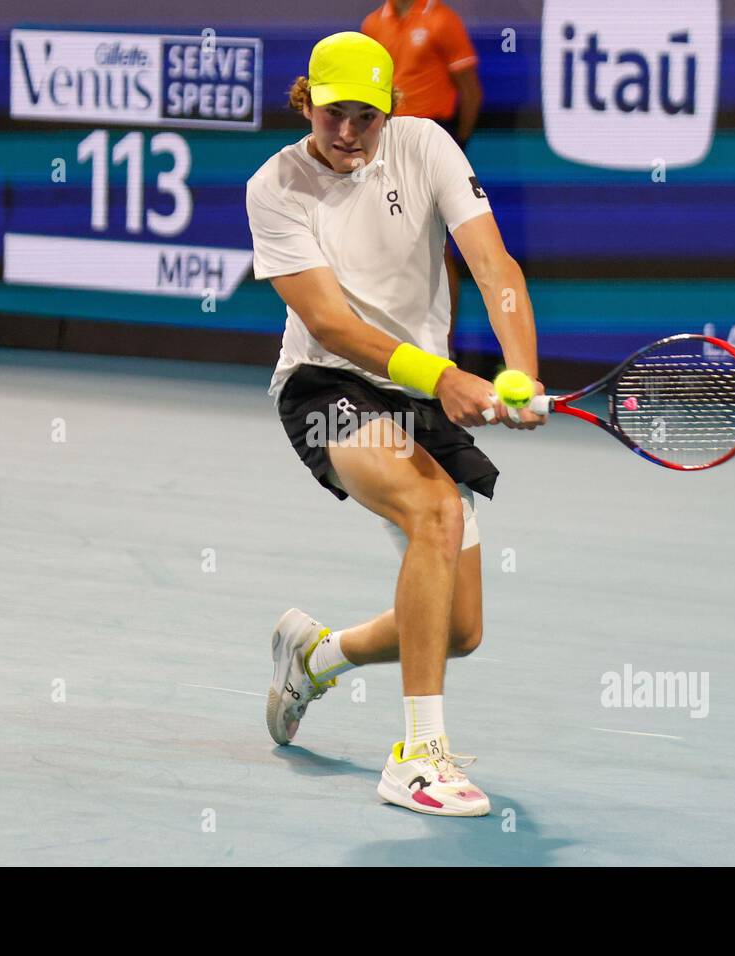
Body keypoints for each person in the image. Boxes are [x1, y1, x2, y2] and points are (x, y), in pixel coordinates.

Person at [245, 31, 542, 817]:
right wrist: (443, 376)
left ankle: (317, 656)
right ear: (306, 97)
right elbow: (332, 324)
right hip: (325, 387)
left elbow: (494, 265)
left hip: (413, 395)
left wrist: (518, 371)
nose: (348, 133)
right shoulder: (274, 185)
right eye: (334, 113)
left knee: (458, 631)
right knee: (433, 509)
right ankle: (417, 757)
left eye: (366, 119)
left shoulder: (425, 146)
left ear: (390, 113)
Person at [361, 0, 483, 358]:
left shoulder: (443, 21)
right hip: (383, 142)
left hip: (432, 142)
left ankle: (443, 349)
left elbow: (471, 92)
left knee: (437, 248)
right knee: (382, 241)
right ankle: (383, 342)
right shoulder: (372, 24)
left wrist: (454, 149)